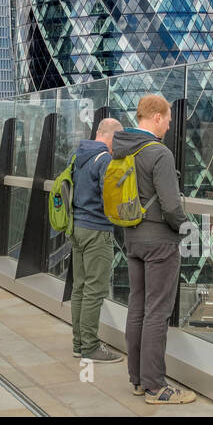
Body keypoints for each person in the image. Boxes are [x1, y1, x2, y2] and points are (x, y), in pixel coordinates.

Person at [110, 94, 196, 405]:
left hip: (131, 237)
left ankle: (137, 380)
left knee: (137, 308)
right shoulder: (159, 153)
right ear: (156, 117)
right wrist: (184, 226)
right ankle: (156, 387)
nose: (169, 126)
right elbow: (171, 205)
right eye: (169, 120)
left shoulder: (122, 148)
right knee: (157, 312)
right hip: (159, 240)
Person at [70, 116, 124, 363]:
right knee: (95, 289)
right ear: (111, 136)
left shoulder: (79, 156)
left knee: (79, 288)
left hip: (77, 227)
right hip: (97, 231)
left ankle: (78, 343)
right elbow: (111, 197)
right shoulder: (104, 160)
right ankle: (90, 347)